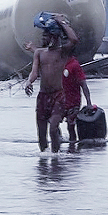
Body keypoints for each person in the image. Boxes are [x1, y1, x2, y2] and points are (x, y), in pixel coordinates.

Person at [24, 13, 79, 152]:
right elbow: (34, 72)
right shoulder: (39, 53)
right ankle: (44, 156)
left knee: (53, 127)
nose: (43, 38)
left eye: (46, 35)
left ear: (54, 37)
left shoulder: (62, 52)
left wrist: (62, 23)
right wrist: (29, 82)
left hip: (58, 96)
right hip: (43, 96)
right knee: (41, 132)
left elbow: (74, 39)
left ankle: (55, 156)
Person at [61, 39, 94, 142]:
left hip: (73, 102)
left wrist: (89, 103)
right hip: (60, 101)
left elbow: (83, 85)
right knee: (52, 122)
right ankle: (58, 141)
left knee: (70, 126)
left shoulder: (74, 65)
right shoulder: (58, 64)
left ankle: (72, 146)